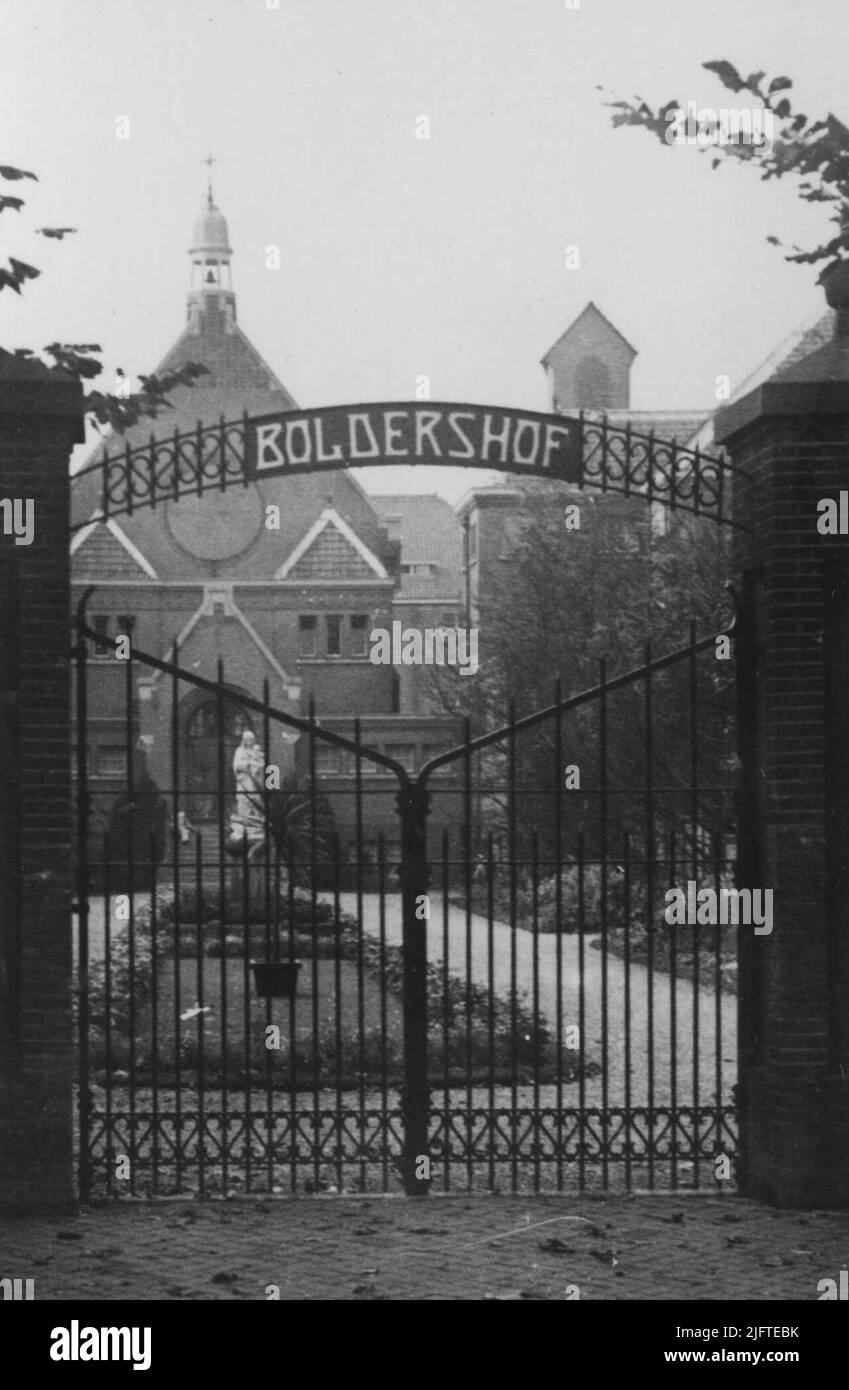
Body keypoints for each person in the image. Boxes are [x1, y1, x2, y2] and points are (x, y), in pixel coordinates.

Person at [232, 730, 264, 823]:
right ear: (244, 740)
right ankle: (243, 823)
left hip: (255, 780)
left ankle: (257, 822)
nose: (249, 742)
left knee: (256, 800)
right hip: (244, 780)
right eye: (247, 740)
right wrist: (248, 764)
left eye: (251, 740)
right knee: (244, 800)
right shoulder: (239, 751)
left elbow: (262, 764)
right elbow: (236, 765)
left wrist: (256, 765)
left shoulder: (257, 750)